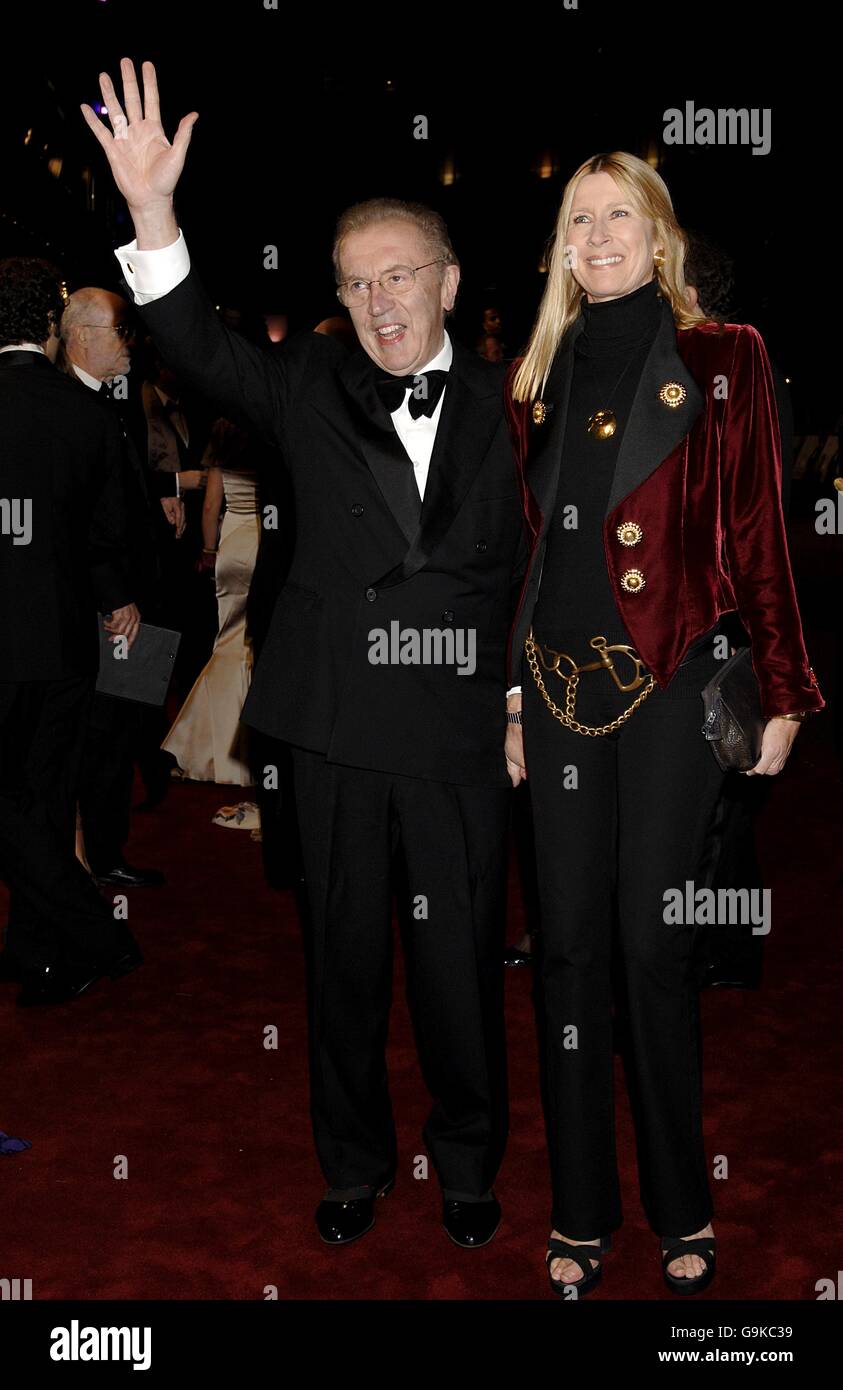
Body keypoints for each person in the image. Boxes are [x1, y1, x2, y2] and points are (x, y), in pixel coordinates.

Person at [83, 59, 526, 1250]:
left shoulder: (511, 403)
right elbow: (189, 340)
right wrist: (152, 215)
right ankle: (353, 1161)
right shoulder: (306, 385)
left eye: (400, 276)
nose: (380, 302)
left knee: (459, 967)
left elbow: (548, 573)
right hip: (329, 732)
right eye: (355, 282)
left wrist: (531, 696)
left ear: (448, 281)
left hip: (458, 739)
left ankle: (470, 1159)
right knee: (340, 966)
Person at [502, 152, 824, 1297]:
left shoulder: (723, 356)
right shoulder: (536, 369)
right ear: (560, 244)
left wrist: (783, 686)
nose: (597, 236)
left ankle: (681, 1198)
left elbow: (761, 533)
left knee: (651, 946)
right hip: (558, 690)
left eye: (618, 216)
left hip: (675, 684)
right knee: (566, 954)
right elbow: (534, 553)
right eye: (578, 219)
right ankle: (583, 1207)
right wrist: (510, 695)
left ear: (660, 233)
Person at [0, 257, 143, 1006]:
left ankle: (91, 936)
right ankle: (37, 954)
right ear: (49, 328)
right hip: (62, 642)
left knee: (17, 807)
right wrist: (112, 593)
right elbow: (106, 534)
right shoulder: (87, 412)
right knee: (45, 798)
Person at [61, 287, 174, 887]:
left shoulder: (117, 400)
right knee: (101, 736)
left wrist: (161, 498)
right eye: (118, 331)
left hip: (139, 592)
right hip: (109, 605)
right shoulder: (64, 406)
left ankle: (109, 853)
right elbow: (77, 520)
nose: (129, 342)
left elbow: (120, 488)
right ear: (81, 336)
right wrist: (112, 594)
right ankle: (97, 858)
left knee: (127, 724)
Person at [162, 420, 261, 788]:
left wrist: (208, 549)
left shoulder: (222, 428)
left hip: (234, 544)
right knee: (255, 648)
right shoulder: (272, 420)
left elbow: (210, 507)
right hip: (266, 545)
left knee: (226, 645)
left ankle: (208, 749)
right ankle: (251, 757)